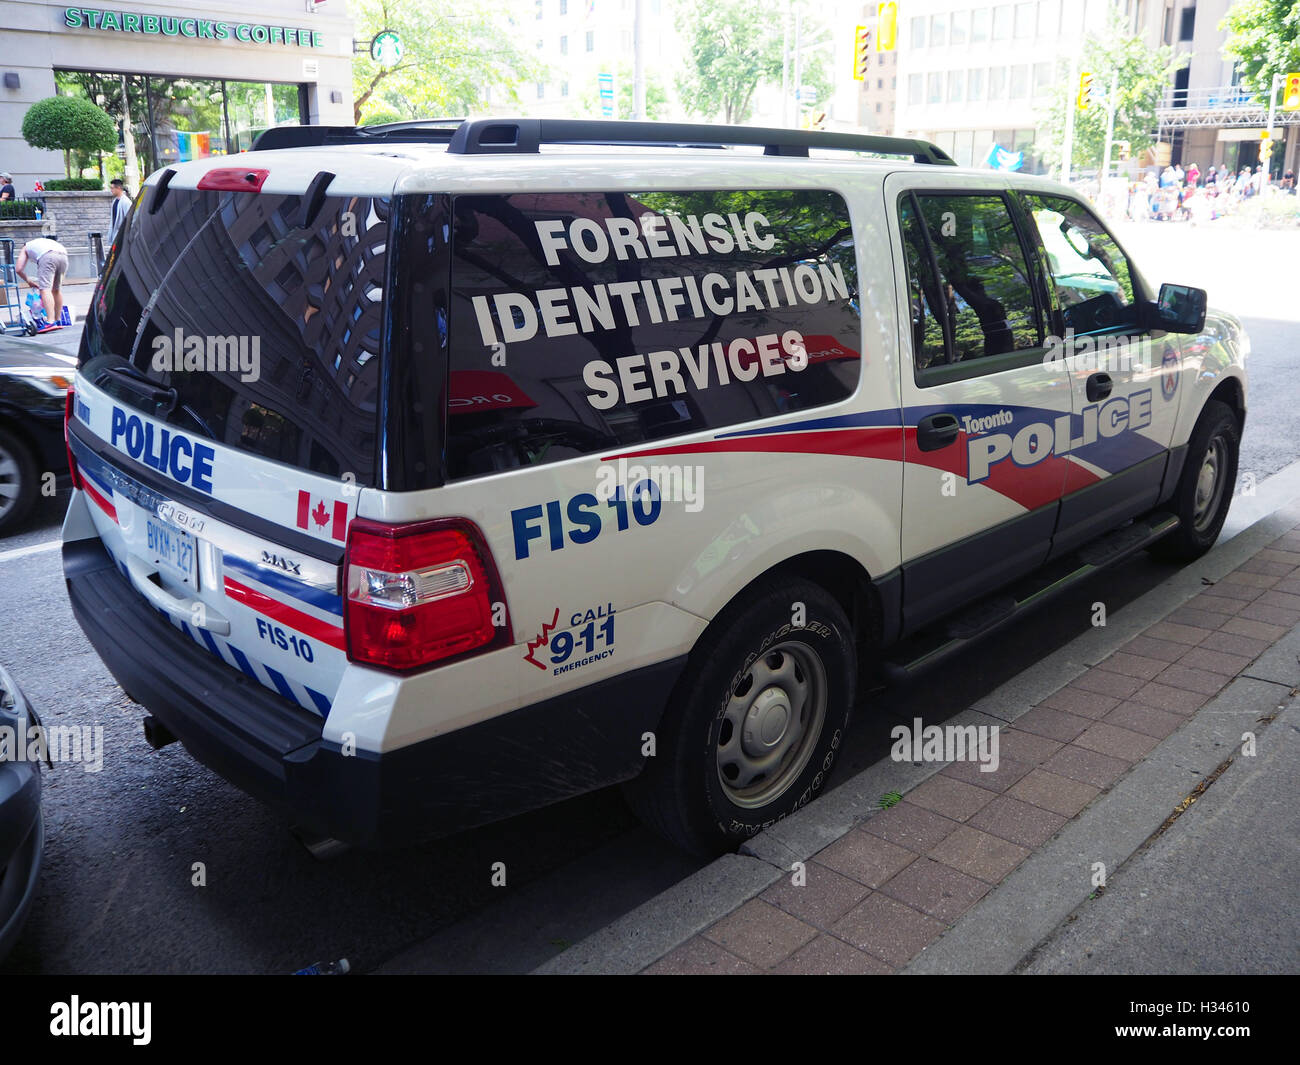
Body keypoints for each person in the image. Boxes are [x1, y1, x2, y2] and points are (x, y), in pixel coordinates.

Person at [14, 236, 68, 331]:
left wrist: (28, 280)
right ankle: (58, 319)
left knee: (45, 289)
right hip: (64, 256)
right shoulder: (41, 242)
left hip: (48, 257)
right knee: (56, 290)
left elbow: (18, 269)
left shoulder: (26, 247)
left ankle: (50, 321)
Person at [108, 178, 131, 244]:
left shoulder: (126, 202)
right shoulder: (115, 201)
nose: (111, 190)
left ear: (118, 188)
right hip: (115, 236)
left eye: (112, 188)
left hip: (122, 237)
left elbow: (129, 219)